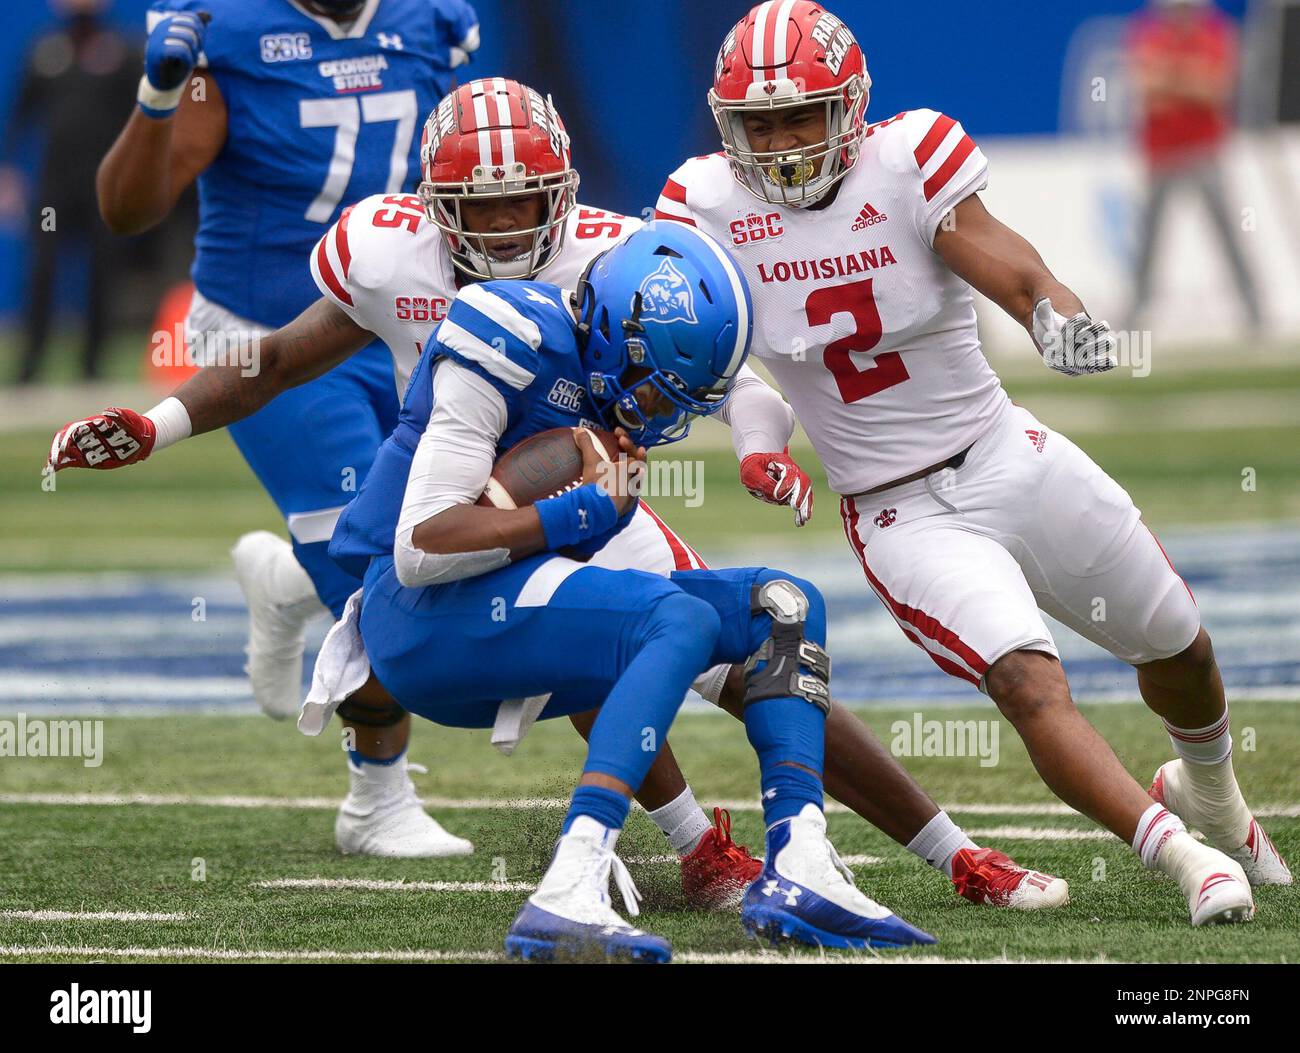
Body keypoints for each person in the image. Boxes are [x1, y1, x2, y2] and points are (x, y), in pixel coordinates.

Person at [51, 80, 1067, 912]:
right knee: (556, 632)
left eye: (521, 200)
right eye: (477, 205)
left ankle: (947, 852)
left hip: (582, 484)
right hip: (460, 512)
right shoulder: (386, 247)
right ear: (434, 205)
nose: (499, 224)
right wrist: (157, 423)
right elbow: (274, 360)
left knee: (746, 657)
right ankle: (681, 843)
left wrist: (758, 449)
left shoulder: (618, 254)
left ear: (566, 194)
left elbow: (736, 381)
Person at [655, 0, 1289, 926]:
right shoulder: (706, 206)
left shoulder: (908, 158)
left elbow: (1010, 265)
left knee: (1180, 642)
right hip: (898, 510)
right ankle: (1187, 857)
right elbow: (701, 352)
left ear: (853, 107)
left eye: (803, 115)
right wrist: (759, 442)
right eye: (761, 124)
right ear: (728, 127)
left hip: (1005, 452)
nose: (784, 143)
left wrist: (1055, 314)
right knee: (1027, 680)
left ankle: (1216, 800)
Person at [332, 219, 936, 960]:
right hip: (417, 620)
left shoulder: (608, 369)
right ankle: (569, 886)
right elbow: (422, 546)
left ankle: (800, 860)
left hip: (500, 603)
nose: (661, 421)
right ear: (620, 340)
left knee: (783, 603)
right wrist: (580, 510)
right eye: (657, 398)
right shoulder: (507, 334)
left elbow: (751, 403)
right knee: (673, 617)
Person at [88, 0, 481, 857]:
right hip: (264, 339)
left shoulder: (426, 22)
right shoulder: (226, 34)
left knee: (455, 536)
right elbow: (126, 210)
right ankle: (375, 797)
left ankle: (286, 581)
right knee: (370, 574)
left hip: (399, 324)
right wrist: (159, 92)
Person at [2, 0, 138, 384]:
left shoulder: (121, 50)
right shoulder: (46, 50)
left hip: (103, 188)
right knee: (42, 269)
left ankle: (92, 365)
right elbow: (20, 115)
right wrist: (9, 173)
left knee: (101, 271)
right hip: (54, 192)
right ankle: (31, 363)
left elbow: (142, 117)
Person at [1127, 0, 1261, 331]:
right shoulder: (1148, 30)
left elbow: (1215, 89)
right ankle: (1136, 310)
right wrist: (1190, 76)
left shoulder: (1216, 30)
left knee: (1227, 231)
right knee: (1149, 238)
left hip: (1203, 149)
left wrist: (1170, 75)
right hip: (1161, 152)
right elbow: (1145, 88)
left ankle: (1253, 307)